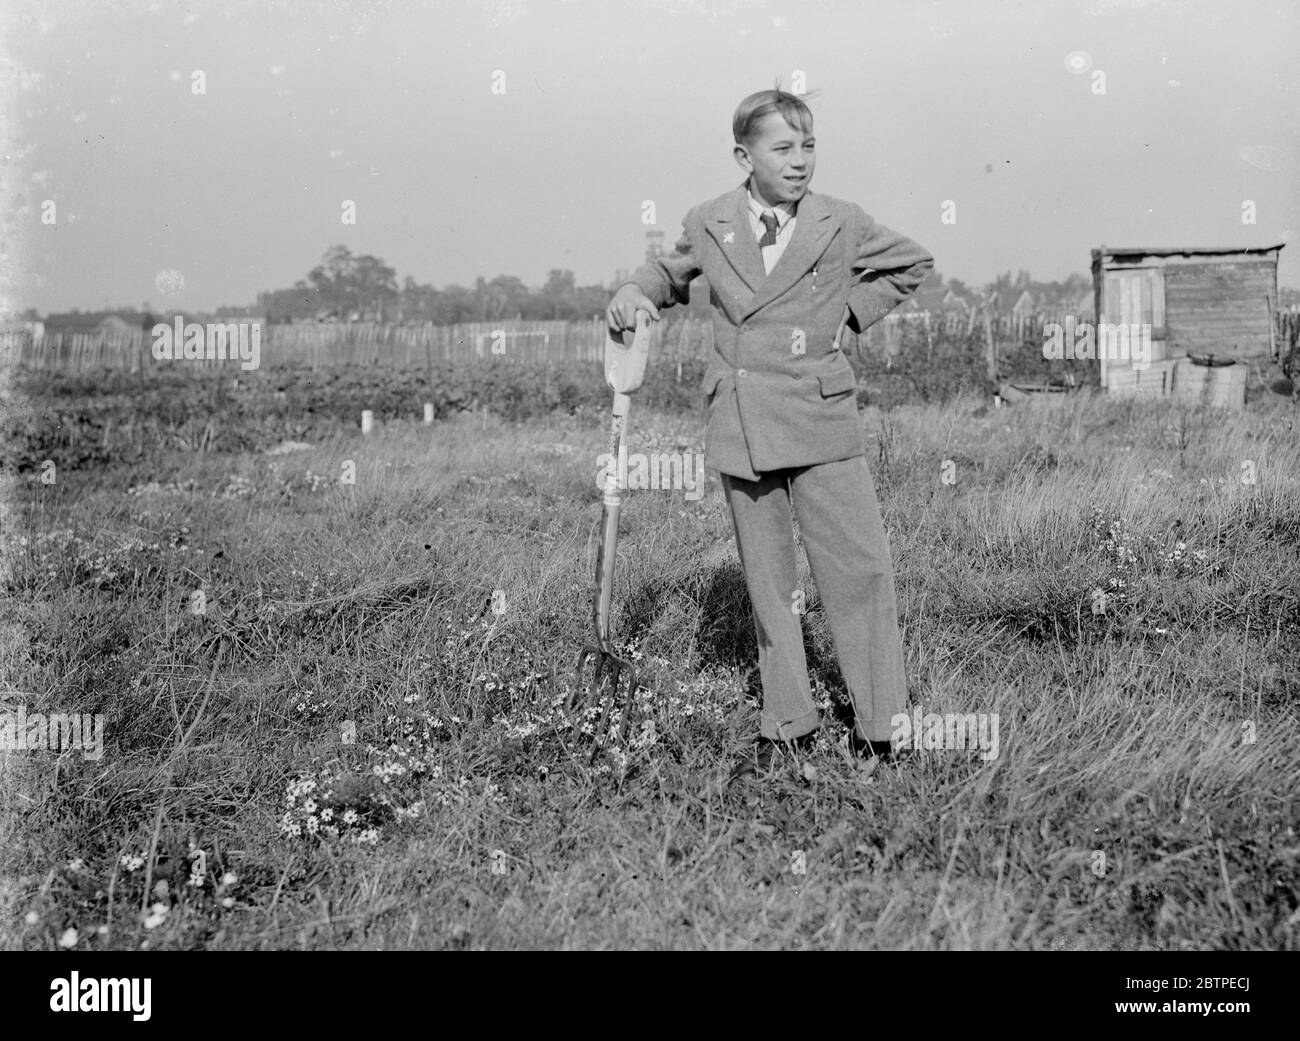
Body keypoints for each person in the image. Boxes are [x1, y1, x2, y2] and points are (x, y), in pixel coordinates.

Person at [606, 88, 933, 783]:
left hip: (820, 416)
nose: (800, 162)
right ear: (743, 155)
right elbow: (669, 271)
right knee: (769, 583)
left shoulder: (841, 222)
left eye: (808, 146)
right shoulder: (710, 220)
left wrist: (848, 314)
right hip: (744, 421)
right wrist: (635, 291)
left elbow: (912, 263)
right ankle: (788, 723)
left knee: (860, 572)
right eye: (783, 148)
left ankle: (883, 727)